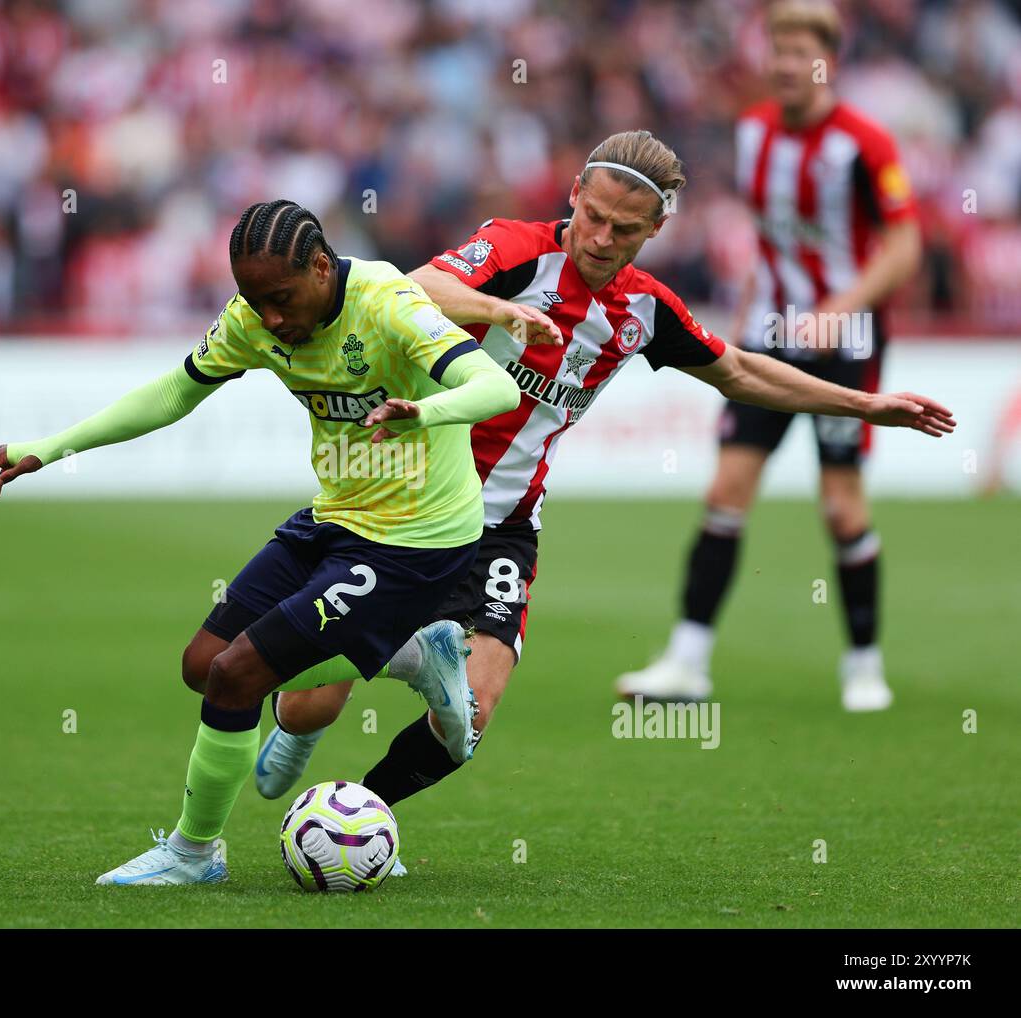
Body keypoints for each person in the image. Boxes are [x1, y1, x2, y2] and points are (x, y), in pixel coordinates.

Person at [257, 130, 954, 847]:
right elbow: (413, 287)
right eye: (592, 215)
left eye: (624, 229)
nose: (600, 238)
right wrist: (497, 311)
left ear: (656, 229)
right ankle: (301, 723)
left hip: (502, 527)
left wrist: (865, 404)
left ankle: (360, 820)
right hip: (409, 507)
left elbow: (741, 372)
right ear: (574, 196)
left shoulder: (645, 310)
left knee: (470, 715)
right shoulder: (513, 248)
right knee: (311, 705)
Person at [0, 199, 523, 885]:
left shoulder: (388, 302)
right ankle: (416, 658)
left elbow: (494, 387)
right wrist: (49, 448)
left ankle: (192, 854)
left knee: (238, 675)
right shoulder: (255, 321)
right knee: (203, 665)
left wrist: (424, 411)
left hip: (418, 537)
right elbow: (174, 392)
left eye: (281, 298)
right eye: (253, 299)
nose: (268, 318)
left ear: (323, 266)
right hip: (336, 515)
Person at [616, 1, 923, 711]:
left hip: (844, 344)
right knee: (726, 492)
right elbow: (768, 240)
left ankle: (863, 666)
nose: (785, 64)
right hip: (769, 334)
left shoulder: (867, 144)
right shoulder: (753, 130)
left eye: (800, 52)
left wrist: (837, 310)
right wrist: (752, 308)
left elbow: (904, 247)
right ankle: (687, 663)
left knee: (842, 508)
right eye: (777, 50)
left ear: (827, 62)